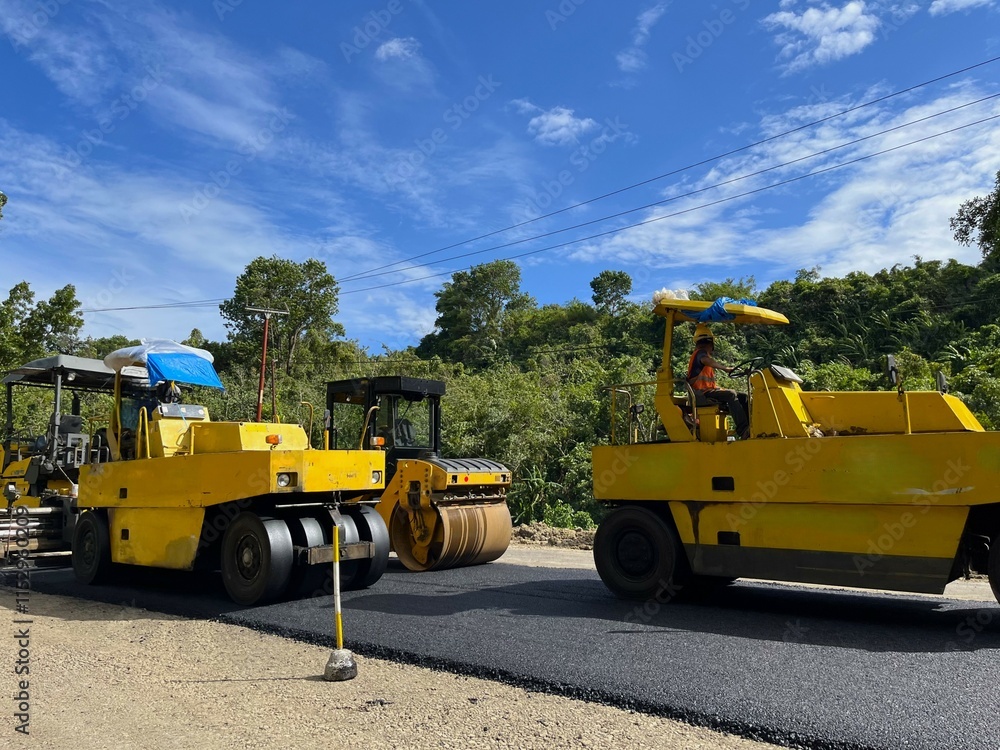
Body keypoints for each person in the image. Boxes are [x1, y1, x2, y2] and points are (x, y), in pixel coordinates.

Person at [686, 324, 750, 439]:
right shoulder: (701, 354)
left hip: (707, 391)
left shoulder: (700, 355)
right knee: (731, 395)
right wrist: (726, 368)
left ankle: (750, 427)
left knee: (743, 397)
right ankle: (743, 430)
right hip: (700, 395)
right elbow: (707, 361)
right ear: (710, 343)